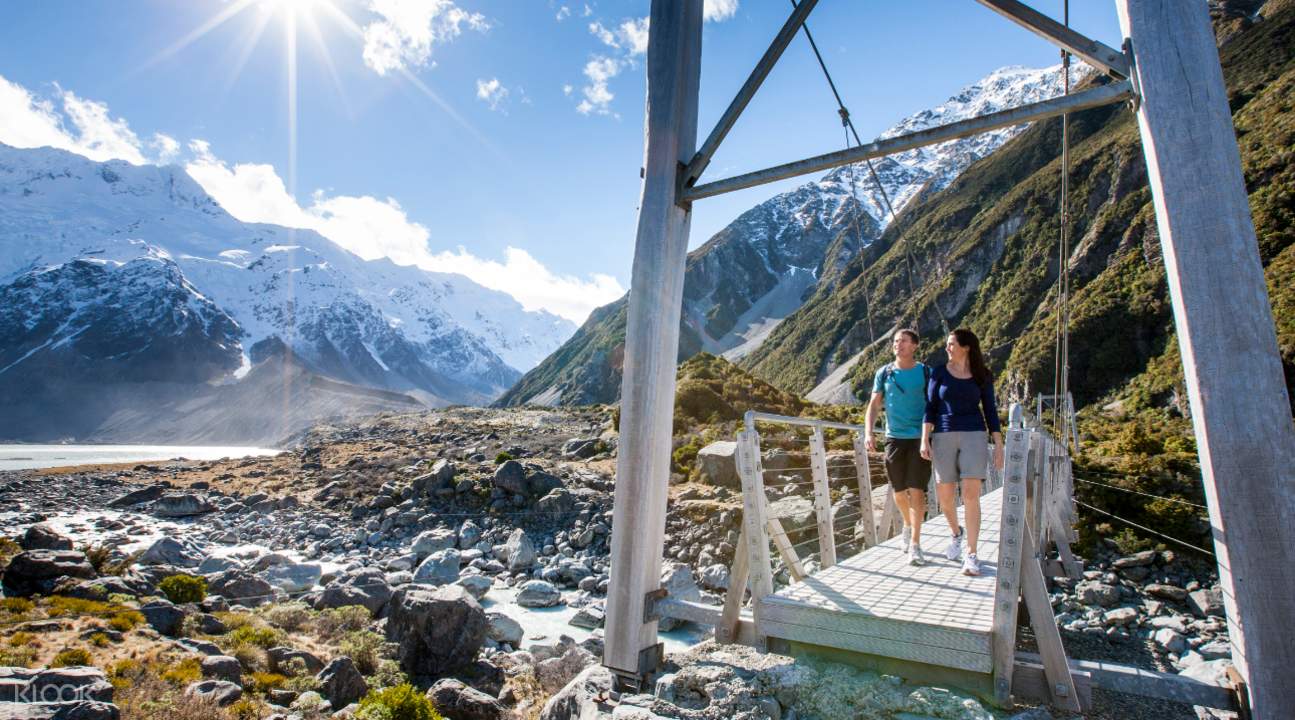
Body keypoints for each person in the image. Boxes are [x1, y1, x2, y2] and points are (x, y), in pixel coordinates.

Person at [920, 328, 1004, 576]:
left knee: (970, 494)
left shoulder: (982, 376)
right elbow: (930, 407)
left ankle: (972, 553)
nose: (947, 347)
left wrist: (998, 444)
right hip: (943, 435)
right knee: (945, 497)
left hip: (974, 435)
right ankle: (956, 533)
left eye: (951, 344)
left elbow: (990, 411)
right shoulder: (938, 373)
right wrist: (925, 439)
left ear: (966, 347)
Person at [864, 328, 932, 566]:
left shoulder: (925, 372)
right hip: (893, 437)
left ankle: (915, 544)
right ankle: (907, 523)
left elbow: (935, 404)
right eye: (895, 341)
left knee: (917, 490)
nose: (898, 345)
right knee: (898, 490)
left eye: (903, 341)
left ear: (914, 345)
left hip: (919, 437)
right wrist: (868, 433)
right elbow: (873, 405)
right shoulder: (884, 373)